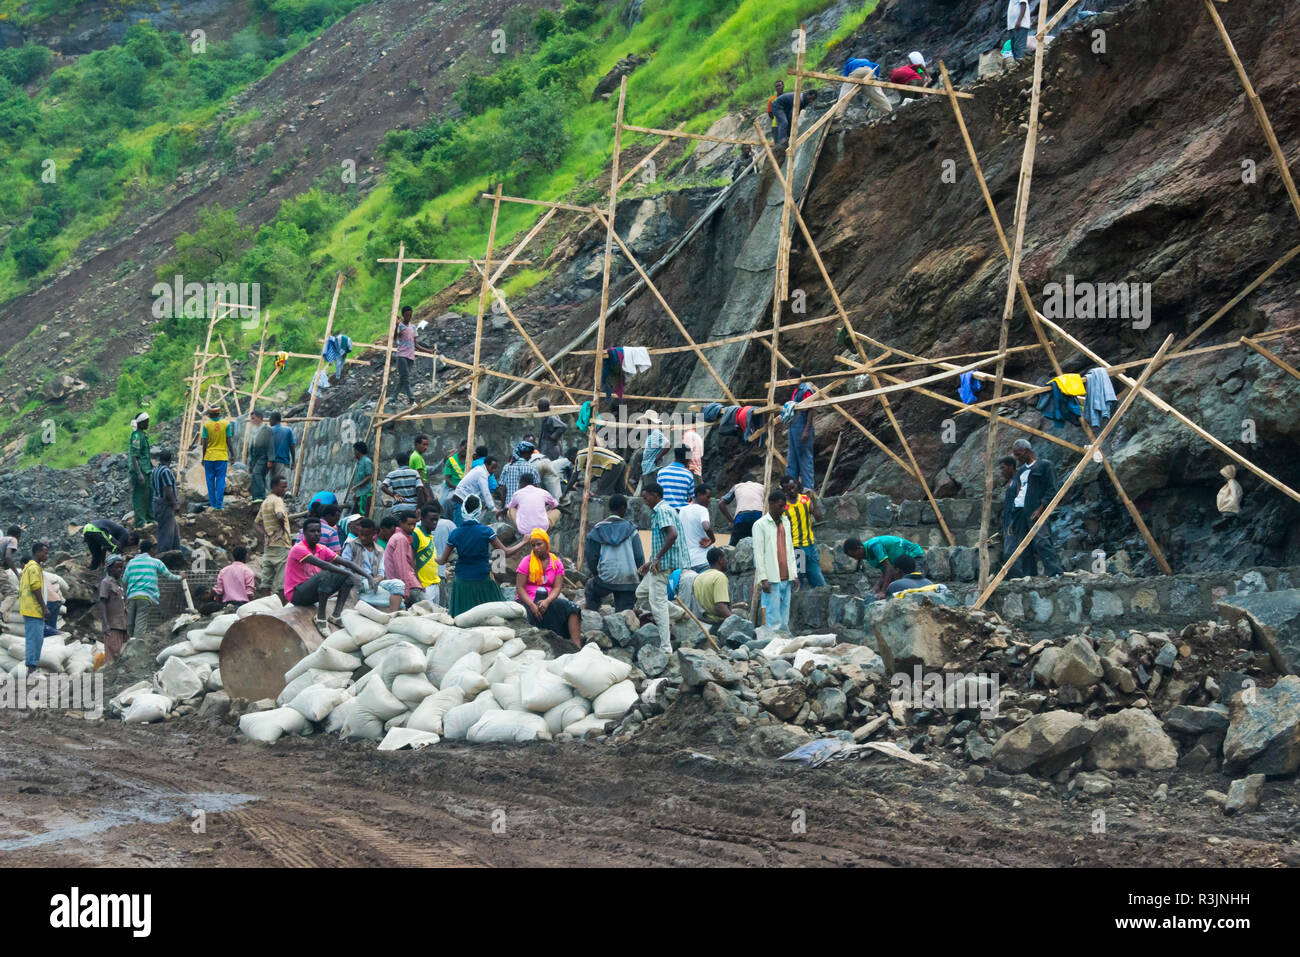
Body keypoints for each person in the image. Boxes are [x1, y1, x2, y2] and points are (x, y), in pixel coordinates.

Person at [437, 495, 525, 616]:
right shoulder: (486, 531)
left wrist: (434, 557)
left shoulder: (455, 533)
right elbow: (506, 552)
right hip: (482, 580)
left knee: (462, 618)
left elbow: (442, 561)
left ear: (463, 510)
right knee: (494, 615)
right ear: (478, 511)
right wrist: (524, 542)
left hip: (462, 583)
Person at [286, 518, 378, 625]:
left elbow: (347, 563)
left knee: (346, 576)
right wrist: (350, 573)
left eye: (318, 531)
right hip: (297, 594)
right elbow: (324, 565)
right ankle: (321, 618)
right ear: (304, 533)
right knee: (327, 573)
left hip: (311, 591)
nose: (316, 534)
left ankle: (336, 615)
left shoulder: (321, 548)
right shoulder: (298, 549)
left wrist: (368, 576)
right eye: (312, 531)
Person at [636, 481, 689, 655]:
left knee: (657, 604)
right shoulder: (664, 510)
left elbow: (672, 534)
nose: (645, 501)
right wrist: (649, 562)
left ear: (655, 495)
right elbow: (662, 539)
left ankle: (666, 648)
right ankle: (678, 612)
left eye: (646, 498)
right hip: (657, 564)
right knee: (641, 593)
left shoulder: (662, 511)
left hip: (663, 565)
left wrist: (657, 558)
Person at [515, 528, 582, 647]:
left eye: (539, 544)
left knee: (572, 608)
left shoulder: (556, 562)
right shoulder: (526, 561)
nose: (536, 548)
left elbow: (557, 587)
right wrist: (531, 605)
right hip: (528, 599)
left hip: (548, 598)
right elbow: (520, 588)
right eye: (533, 545)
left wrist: (547, 601)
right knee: (527, 614)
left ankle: (576, 646)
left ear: (546, 543)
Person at [1008, 438, 1064, 577]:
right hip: (1020, 512)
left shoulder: (1045, 466)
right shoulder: (1021, 471)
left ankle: (1055, 573)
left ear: (1027, 451)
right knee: (1023, 545)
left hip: (1035, 510)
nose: (1017, 457)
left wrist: (1041, 508)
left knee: (1042, 541)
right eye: (1015, 454)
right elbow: (1019, 492)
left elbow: (1052, 489)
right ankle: (1029, 575)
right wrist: (1012, 517)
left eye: (1018, 454)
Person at [584, 493, 645, 612]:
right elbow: (639, 557)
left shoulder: (597, 530)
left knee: (591, 588)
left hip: (606, 578)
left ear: (609, 508)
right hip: (629, 579)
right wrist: (640, 577)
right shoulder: (631, 530)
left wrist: (596, 573)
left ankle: (591, 617)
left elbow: (592, 557)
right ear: (623, 508)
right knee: (624, 613)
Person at [754, 490, 799, 631]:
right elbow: (758, 554)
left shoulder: (785, 522)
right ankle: (770, 641)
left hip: (786, 575)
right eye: (780, 506)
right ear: (771, 504)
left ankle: (783, 640)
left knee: (784, 614)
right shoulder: (760, 524)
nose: (783, 509)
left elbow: (790, 549)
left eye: (784, 506)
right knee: (771, 615)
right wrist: (763, 578)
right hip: (771, 577)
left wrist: (794, 573)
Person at [124, 540, 183, 638]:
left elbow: (124, 579)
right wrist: (181, 577)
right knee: (140, 623)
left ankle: (126, 643)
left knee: (129, 622)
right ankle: (135, 645)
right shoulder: (156, 562)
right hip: (145, 596)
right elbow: (169, 576)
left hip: (131, 596)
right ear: (150, 550)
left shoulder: (131, 562)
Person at [842, 534, 926, 599]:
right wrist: (873, 591)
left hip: (914, 555)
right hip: (900, 561)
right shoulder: (869, 556)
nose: (855, 559)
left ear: (859, 548)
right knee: (898, 588)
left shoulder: (874, 546)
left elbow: (888, 568)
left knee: (914, 586)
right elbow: (885, 573)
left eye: (853, 555)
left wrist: (883, 591)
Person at [781, 477, 825, 588]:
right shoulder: (783, 507)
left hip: (810, 545)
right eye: (788, 489)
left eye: (793, 487)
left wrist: (813, 499)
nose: (791, 491)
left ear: (797, 486)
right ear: (784, 491)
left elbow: (819, 518)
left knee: (817, 578)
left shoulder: (805, 499)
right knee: (798, 579)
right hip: (797, 548)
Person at [255, 474, 293, 597]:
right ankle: (282, 609)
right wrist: (282, 530)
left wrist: (266, 535)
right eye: (282, 487)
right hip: (281, 545)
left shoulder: (265, 502)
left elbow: (256, 523)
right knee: (283, 582)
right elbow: (280, 515)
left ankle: (266, 607)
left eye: (286, 487)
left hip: (268, 546)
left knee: (266, 581)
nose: (285, 490)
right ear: (274, 487)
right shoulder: (278, 500)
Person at [382, 512, 428, 608]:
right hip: (408, 586)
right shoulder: (400, 539)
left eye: (414, 525)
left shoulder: (400, 538)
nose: (412, 527)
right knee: (428, 610)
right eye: (409, 524)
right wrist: (405, 592)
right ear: (401, 523)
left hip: (404, 584)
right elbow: (401, 567)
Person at [785, 367, 816, 492]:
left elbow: (811, 408)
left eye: (789, 378)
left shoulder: (806, 389)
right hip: (793, 427)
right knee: (792, 460)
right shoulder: (795, 391)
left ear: (794, 377)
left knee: (804, 459)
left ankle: (808, 490)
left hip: (802, 426)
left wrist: (806, 430)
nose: (788, 380)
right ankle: (791, 489)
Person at [20, 541, 48, 670]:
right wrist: (44, 607)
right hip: (33, 609)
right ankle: (31, 669)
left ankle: (32, 666)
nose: (46, 555)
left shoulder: (29, 567)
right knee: (34, 640)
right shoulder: (34, 568)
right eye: (45, 552)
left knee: (36, 639)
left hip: (30, 609)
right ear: (37, 552)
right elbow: (35, 587)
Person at [998, 455, 1026, 578]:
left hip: (1014, 522)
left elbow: (1020, 503)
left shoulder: (1017, 482)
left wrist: (1013, 522)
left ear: (1011, 467)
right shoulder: (1011, 483)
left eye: (1003, 468)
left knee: (1011, 551)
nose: (1002, 471)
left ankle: (1016, 578)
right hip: (1009, 521)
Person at [200, 404, 233, 510]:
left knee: (210, 481)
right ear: (219, 413)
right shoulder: (226, 424)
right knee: (220, 481)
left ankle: (212, 504)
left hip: (209, 457)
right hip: (222, 457)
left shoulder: (206, 425)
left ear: (210, 414)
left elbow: (204, 443)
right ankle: (219, 506)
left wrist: (203, 457)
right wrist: (233, 454)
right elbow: (229, 440)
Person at [98, 554, 129, 663]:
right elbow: (102, 603)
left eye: (122, 568)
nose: (120, 570)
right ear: (110, 568)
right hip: (112, 626)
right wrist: (105, 624)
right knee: (113, 656)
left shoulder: (118, 584)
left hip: (122, 625)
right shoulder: (106, 582)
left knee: (122, 655)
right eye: (117, 567)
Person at [150, 449, 182, 553]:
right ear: (170, 460)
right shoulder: (165, 471)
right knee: (166, 532)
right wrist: (175, 504)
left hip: (157, 503)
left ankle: (177, 552)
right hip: (165, 505)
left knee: (174, 531)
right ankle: (164, 555)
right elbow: (167, 488)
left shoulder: (155, 470)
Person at [678, 485, 714, 572]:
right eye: (708, 497)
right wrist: (712, 539)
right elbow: (706, 526)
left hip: (686, 562)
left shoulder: (682, 510)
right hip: (703, 560)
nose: (709, 500)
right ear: (698, 495)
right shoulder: (702, 510)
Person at [413, 504, 444, 606]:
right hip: (423, 586)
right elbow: (411, 561)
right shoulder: (416, 534)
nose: (435, 523)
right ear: (422, 518)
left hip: (434, 584)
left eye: (436, 520)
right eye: (431, 520)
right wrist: (418, 583)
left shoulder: (429, 535)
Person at [693, 547, 733, 626]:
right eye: (725, 558)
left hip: (702, 620)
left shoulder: (699, 577)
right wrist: (735, 621)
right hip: (716, 622)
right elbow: (720, 607)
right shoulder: (719, 577)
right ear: (720, 560)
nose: (727, 561)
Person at [453, 455, 498, 523]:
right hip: (461, 497)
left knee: (464, 521)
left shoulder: (480, 470)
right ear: (486, 465)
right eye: (492, 468)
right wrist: (493, 508)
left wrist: (487, 504)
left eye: (495, 468)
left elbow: (482, 493)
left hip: (463, 498)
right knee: (459, 523)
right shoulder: (482, 473)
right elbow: (485, 492)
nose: (494, 471)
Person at [719, 475, 765, 542]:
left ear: (742, 482)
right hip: (759, 517)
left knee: (733, 546)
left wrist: (731, 521)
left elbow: (721, 503)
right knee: (760, 544)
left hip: (741, 518)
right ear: (755, 481)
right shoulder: (762, 487)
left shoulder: (737, 486)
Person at [382, 450, 427, 518]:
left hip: (398, 509)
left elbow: (383, 486)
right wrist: (418, 508)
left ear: (397, 462)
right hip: (412, 509)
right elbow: (420, 489)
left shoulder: (391, 474)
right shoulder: (415, 473)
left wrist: (394, 495)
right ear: (408, 461)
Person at [128, 412, 153, 526]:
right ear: (141, 423)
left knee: (148, 494)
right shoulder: (137, 436)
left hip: (146, 470)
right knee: (139, 496)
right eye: (146, 421)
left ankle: (149, 517)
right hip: (140, 471)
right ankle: (140, 521)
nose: (148, 423)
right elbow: (134, 456)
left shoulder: (142, 435)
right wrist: (139, 473)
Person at [392, 305, 417, 405]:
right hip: (402, 355)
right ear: (403, 315)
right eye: (406, 315)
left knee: (402, 378)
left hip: (410, 357)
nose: (408, 317)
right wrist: (397, 325)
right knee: (406, 378)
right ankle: (412, 399)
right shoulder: (400, 326)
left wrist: (429, 351)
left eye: (410, 315)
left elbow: (416, 344)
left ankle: (392, 399)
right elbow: (394, 337)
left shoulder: (413, 327)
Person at [637, 411, 668, 485]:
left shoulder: (655, 433)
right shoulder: (651, 434)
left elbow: (667, 445)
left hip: (652, 469)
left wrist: (657, 457)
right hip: (648, 468)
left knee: (651, 491)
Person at [246, 410, 271, 503]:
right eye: (251, 419)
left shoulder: (267, 430)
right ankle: (255, 497)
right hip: (255, 458)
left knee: (257, 474)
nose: (252, 421)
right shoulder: (254, 430)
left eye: (253, 418)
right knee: (256, 476)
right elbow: (252, 447)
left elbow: (271, 445)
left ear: (260, 418)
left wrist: (270, 459)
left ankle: (261, 496)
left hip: (264, 457)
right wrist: (250, 464)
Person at [345, 441, 374, 516]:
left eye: (354, 450)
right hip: (359, 493)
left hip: (365, 493)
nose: (354, 453)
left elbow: (369, 476)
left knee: (362, 515)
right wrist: (356, 492)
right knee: (354, 515)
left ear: (358, 451)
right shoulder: (359, 463)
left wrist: (357, 486)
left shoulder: (367, 462)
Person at [268, 411, 296, 483]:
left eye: (270, 420)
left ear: (273, 420)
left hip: (269, 462)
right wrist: (293, 461)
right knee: (281, 483)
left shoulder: (268, 430)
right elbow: (292, 446)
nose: (269, 422)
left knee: (271, 483)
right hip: (282, 462)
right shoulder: (288, 430)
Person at [441, 439, 468, 511]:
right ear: (460, 447)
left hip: (465, 489)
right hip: (452, 488)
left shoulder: (470, 461)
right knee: (446, 501)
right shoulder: (451, 460)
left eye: (468, 449)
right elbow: (447, 479)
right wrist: (457, 488)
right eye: (465, 448)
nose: (465, 451)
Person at [42, 567, 68, 636]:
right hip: (57, 600)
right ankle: (56, 636)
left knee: (39, 625)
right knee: (51, 626)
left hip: (50, 602)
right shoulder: (44, 575)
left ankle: (60, 634)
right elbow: (66, 588)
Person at [0, 525, 21, 602]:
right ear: (18, 535)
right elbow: (8, 557)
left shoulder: (2, 540)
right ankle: (1, 613)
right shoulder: (13, 539)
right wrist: (17, 574)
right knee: (12, 593)